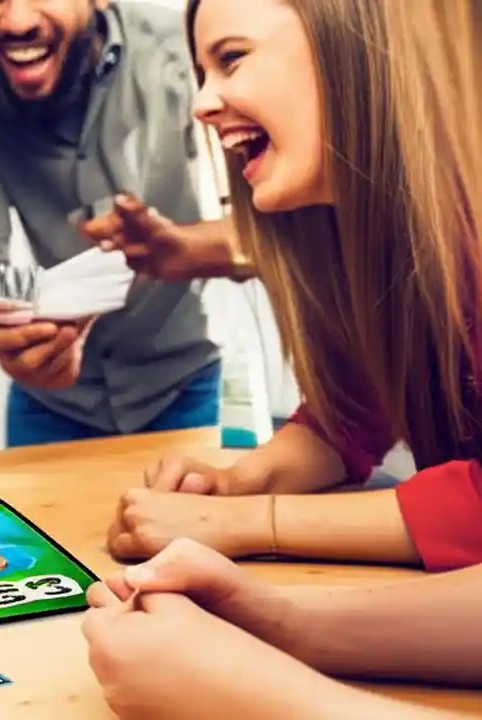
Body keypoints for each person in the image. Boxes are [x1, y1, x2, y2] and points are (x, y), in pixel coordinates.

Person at [84, 0, 482, 717]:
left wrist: (255, 526)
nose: (204, 104)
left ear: (360, 49)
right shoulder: (374, 243)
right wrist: (235, 490)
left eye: (232, 59)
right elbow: (345, 417)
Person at [0, 0, 254, 449]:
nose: (18, 20)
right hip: (49, 406)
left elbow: (271, 225)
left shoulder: (186, 46)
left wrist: (182, 249)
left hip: (188, 388)